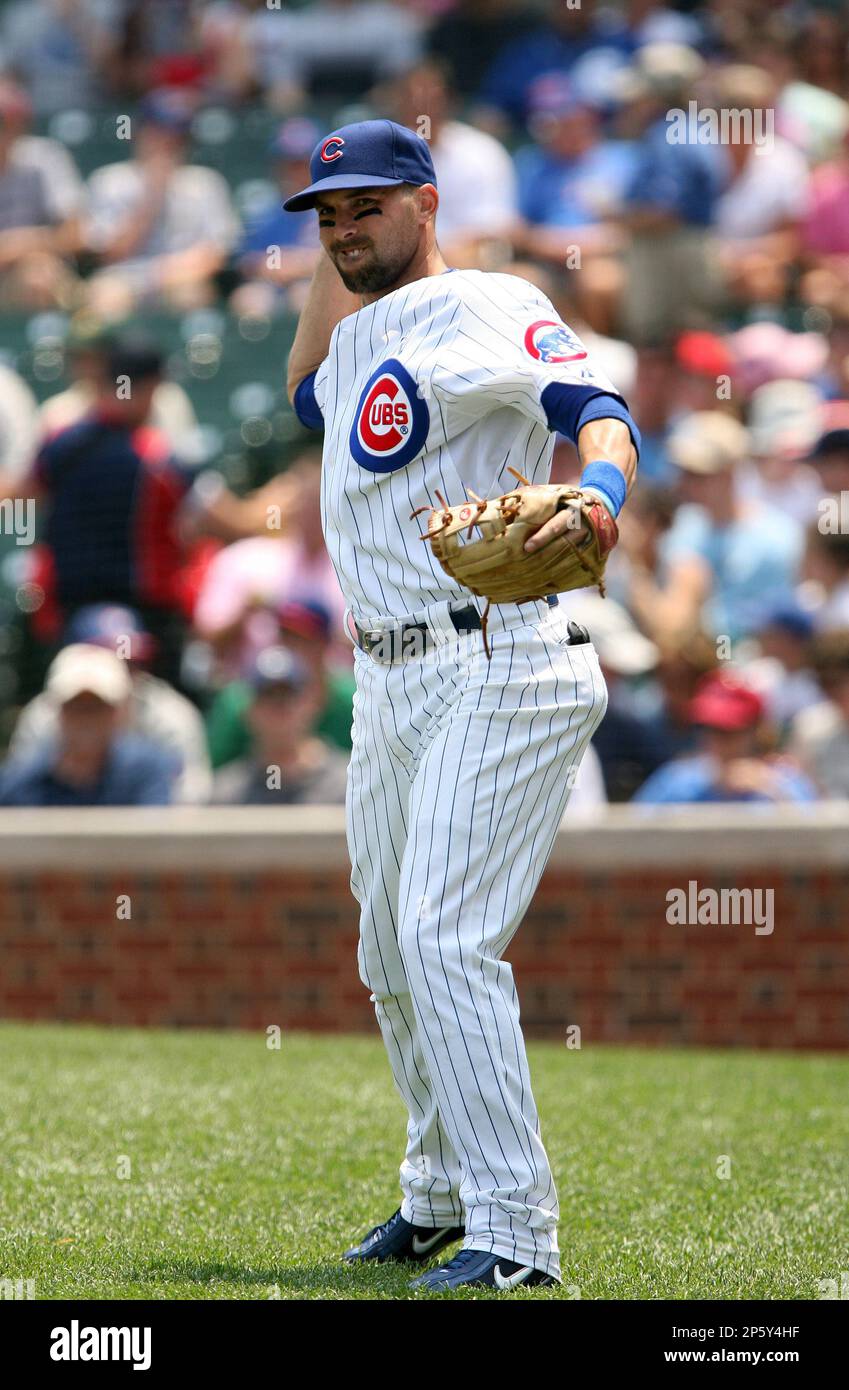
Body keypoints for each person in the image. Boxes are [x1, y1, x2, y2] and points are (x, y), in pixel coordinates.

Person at [284, 118, 639, 1290]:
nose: (347, 229)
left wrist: (593, 494)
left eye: (369, 206)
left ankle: (517, 1238)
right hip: (388, 677)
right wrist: (322, 268)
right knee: (389, 947)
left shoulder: (483, 299)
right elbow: (306, 399)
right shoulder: (350, 340)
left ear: (428, 202)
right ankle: (436, 1197)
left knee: (442, 934)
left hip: (500, 653)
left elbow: (598, 406)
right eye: (330, 213)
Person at [10, 604, 213, 804]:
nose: (124, 673)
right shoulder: (44, 714)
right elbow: (18, 791)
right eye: (115, 661)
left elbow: (192, 797)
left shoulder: (169, 713)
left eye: (133, 663)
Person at [83, 89, 240, 318]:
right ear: (140, 132)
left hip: (181, 277)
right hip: (122, 277)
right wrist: (152, 196)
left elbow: (215, 255)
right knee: (105, 297)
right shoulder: (110, 180)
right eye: (158, 132)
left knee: (190, 296)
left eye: (176, 135)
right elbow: (111, 252)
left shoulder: (205, 182)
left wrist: (157, 276)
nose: (167, 142)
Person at [0, 643, 178, 806]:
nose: (86, 719)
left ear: (118, 712)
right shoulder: (20, 781)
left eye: (97, 707)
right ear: (58, 711)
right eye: (75, 706)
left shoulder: (148, 772)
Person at [633, 670, 816, 806]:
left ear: (755, 730)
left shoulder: (784, 781)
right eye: (709, 728)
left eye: (728, 730)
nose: (716, 741)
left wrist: (771, 790)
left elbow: (816, 841)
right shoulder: (677, 780)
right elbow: (633, 835)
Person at [211, 646, 348, 805]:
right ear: (249, 711)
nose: (280, 707)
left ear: (311, 704)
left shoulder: (350, 785)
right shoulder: (226, 796)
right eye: (268, 695)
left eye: (289, 695)